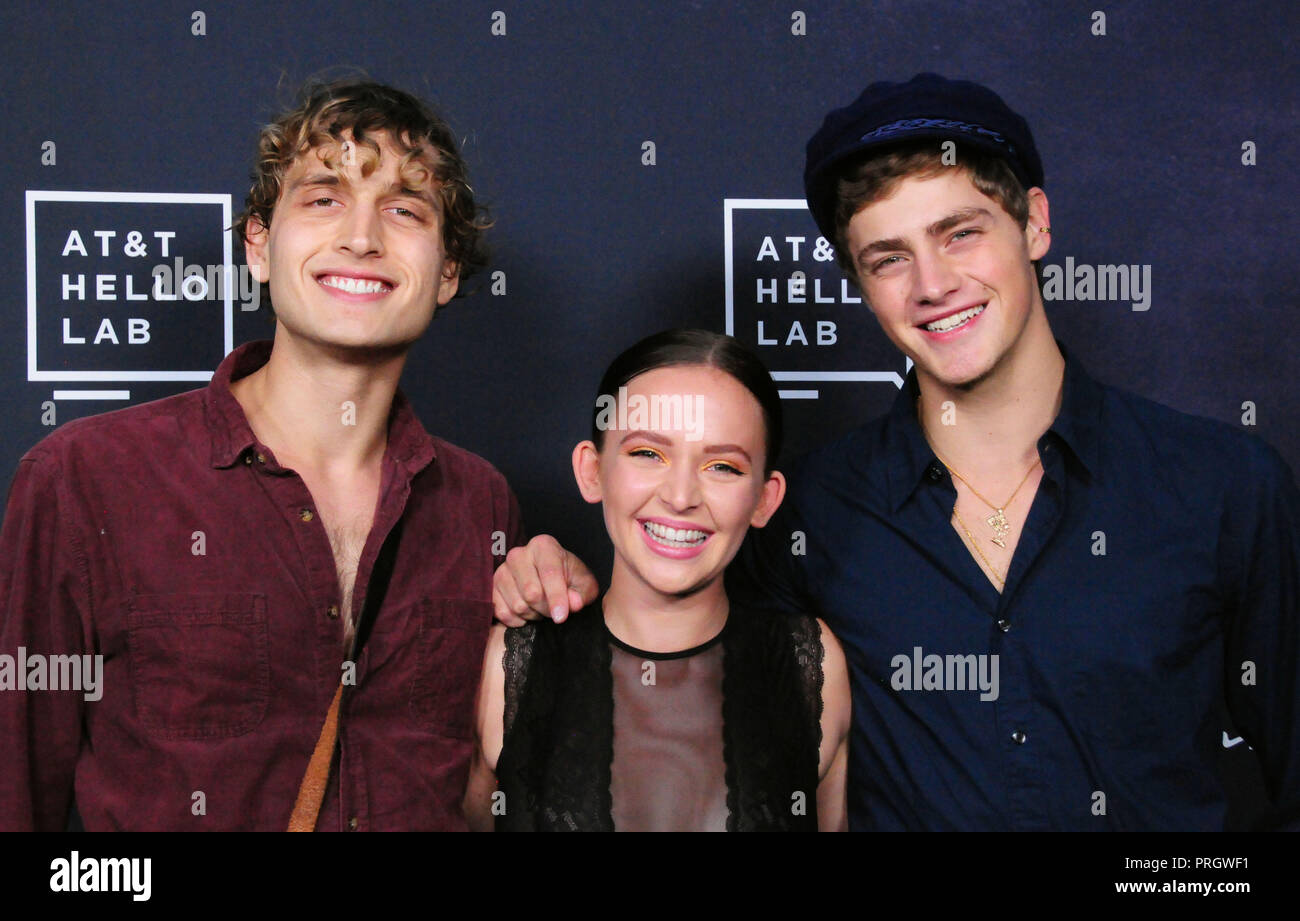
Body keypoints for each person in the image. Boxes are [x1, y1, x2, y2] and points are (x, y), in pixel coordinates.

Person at [492, 74, 1300, 830]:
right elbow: (666, 624)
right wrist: (555, 576)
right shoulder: (806, 512)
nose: (932, 282)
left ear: (1036, 223)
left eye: (961, 233)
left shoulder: (1224, 485)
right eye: (889, 258)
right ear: (860, 283)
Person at [0, 78, 521, 831]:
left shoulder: (480, 503)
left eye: (405, 209)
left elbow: (477, 794)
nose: (362, 237)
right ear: (257, 246)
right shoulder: (87, 478)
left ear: (445, 272)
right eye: (323, 198)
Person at [466, 329, 850, 831]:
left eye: (723, 466)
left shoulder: (810, 665)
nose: (681, 495)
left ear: (765, 499)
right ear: (592, 470)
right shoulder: (510, 665)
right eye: (649, 454)